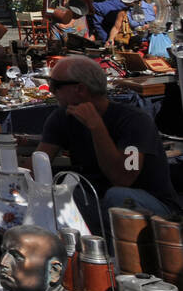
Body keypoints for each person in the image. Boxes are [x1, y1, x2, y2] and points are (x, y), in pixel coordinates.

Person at [38, 54, 181, 218]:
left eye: (56, 85)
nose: (50, 90)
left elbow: (124, 177)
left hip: (150, 204)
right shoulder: (62, 117)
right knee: (59, 194)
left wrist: (97, 127)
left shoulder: (134, 121)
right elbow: (39, 161)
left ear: (80, 89)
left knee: (118, 196)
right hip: (96, 196)